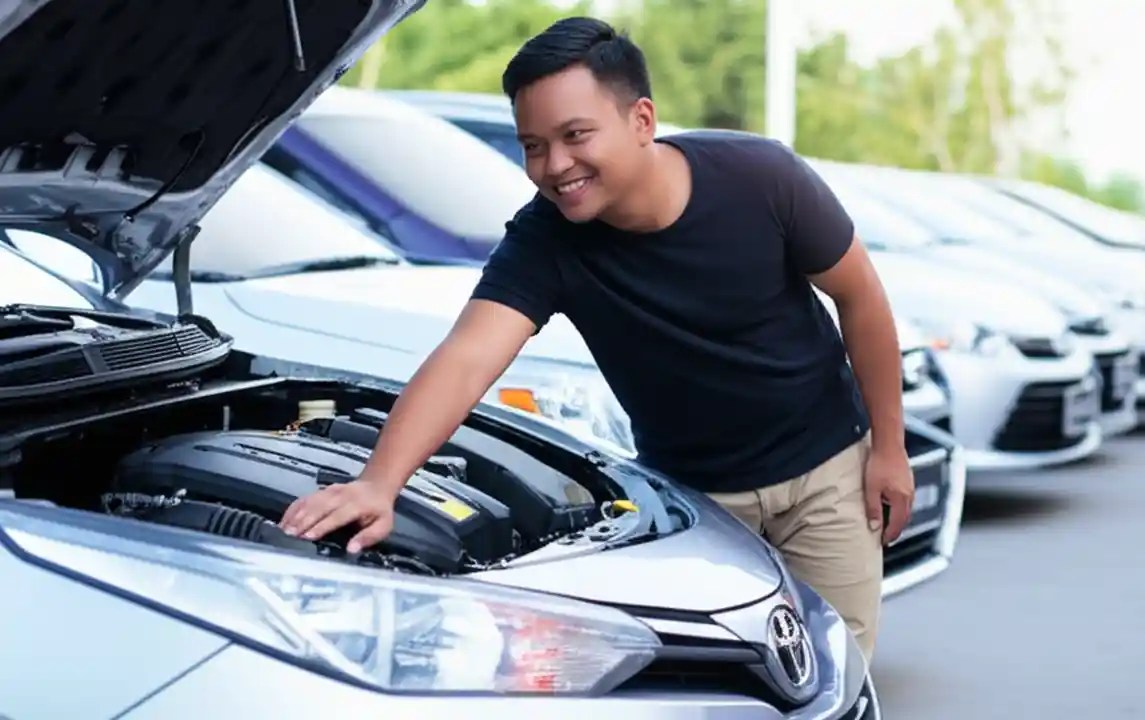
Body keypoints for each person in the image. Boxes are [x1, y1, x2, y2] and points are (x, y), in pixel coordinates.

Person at [280, 16, 914, 661]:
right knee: (725, 687)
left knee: (835, 672)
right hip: (700, 504)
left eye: (575, 135)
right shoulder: (545, 240)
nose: (555, 166)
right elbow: (468, 358)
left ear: (641, 120)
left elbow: (860, 298)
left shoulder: (762, 178)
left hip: (827, 474)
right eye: (532, 146)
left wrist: (889, 448)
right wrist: (380, 483)